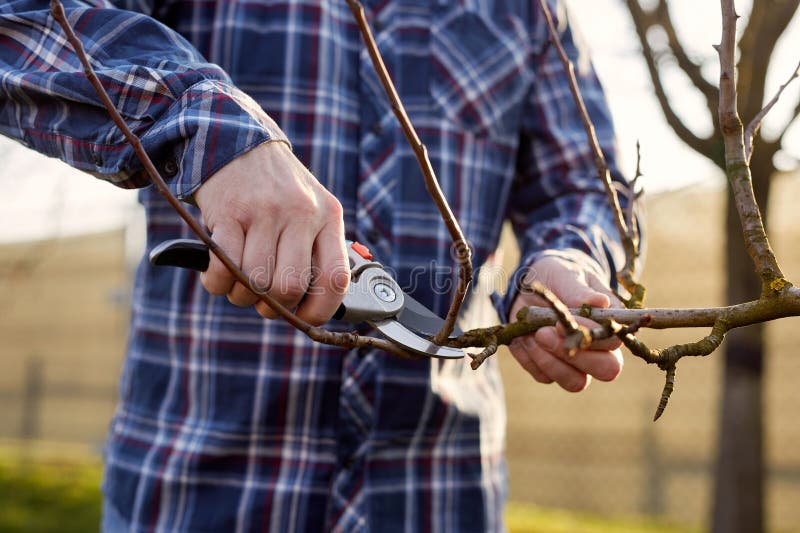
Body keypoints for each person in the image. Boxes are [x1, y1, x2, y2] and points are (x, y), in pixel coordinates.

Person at [0, 1, 640, 531]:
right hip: (191, 502)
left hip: (443, 503)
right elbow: (22, 20)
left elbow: (585, 186)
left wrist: (570, 256)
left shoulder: (529, 11)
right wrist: (207, 127)